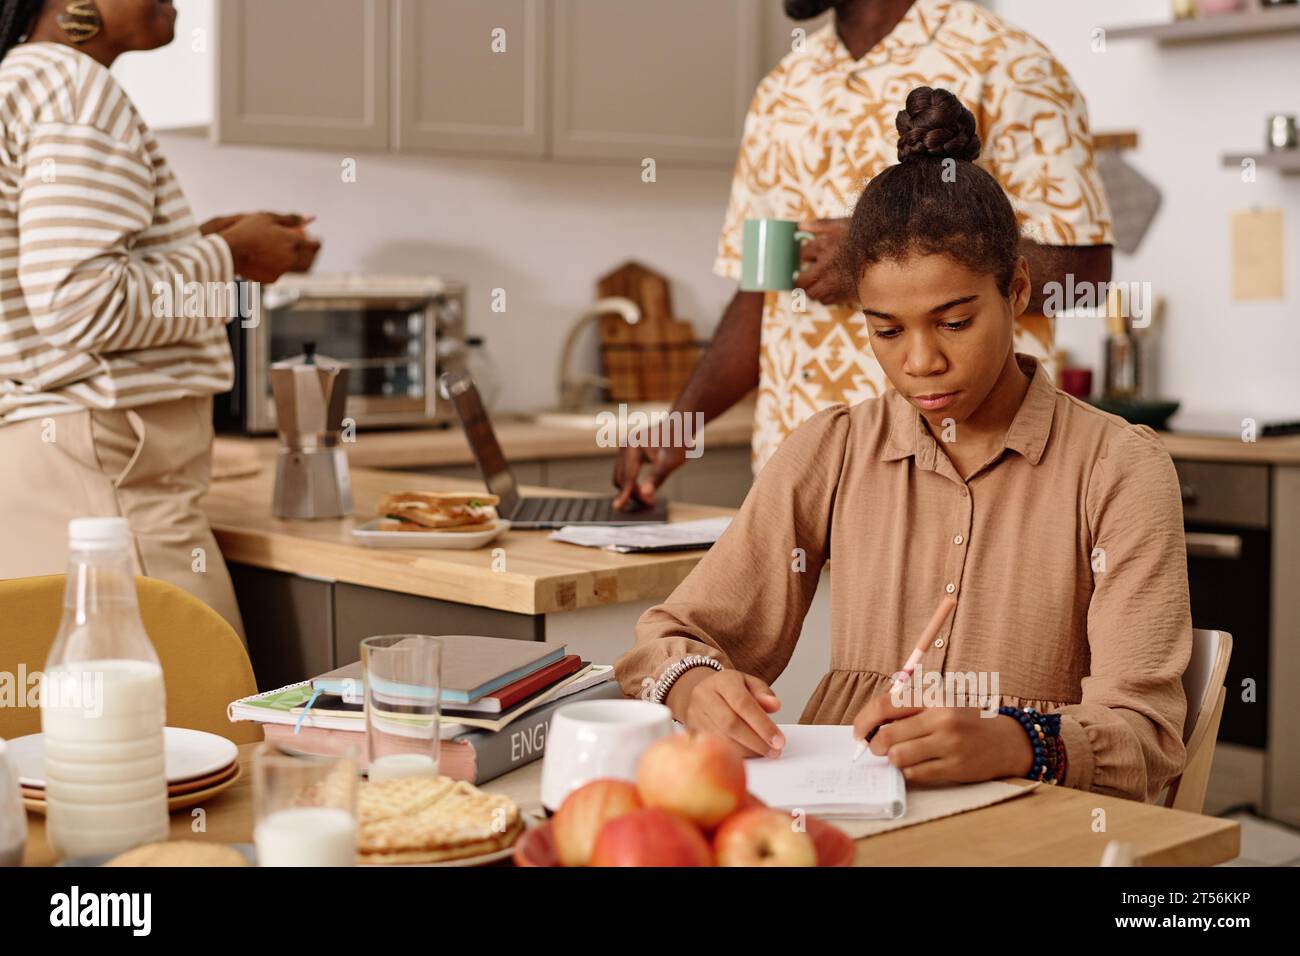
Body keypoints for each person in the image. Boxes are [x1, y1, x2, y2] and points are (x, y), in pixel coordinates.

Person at [614, 88, 1189, 804]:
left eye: (953, 323)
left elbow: (1149, 737)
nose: (920, 362)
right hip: (833, 821)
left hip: (1032, 832)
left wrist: (1014, 739)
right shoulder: (833, 448)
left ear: (1015, 293)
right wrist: (695, 685)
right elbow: (670, 635)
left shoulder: (1120, 469)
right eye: (886, 330)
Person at [613, 0, 1114, 508]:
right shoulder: (781, 90)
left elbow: (1087, 272)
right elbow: (761, 293)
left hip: (955, 488)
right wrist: (680, 426)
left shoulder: (1010, 64)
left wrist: (874, 255)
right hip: (795, 490)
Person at [0, 0, 321, 638]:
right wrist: (232, 254)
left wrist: (201, 250)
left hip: (55, 460)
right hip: (114, 478)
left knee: (92, 729)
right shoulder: (75, 86)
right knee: (202, 724)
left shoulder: (21, 79)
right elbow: (82, 305)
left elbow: (56, 286)